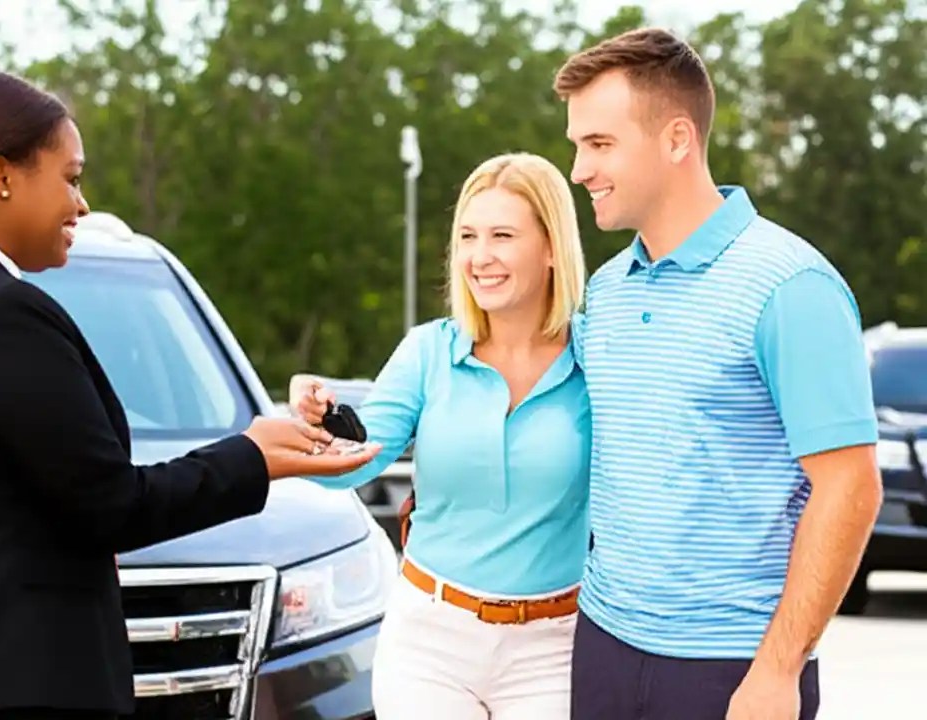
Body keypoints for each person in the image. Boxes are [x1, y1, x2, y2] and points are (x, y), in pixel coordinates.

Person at [0, 70, 381, 720]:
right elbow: (112, 506)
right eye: (70, 178)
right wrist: (253, 456)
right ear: (0, 175)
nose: (82, 204)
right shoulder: (1, 313)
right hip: (5, 688)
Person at [553, 28, 882, 720]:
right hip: (604, 645)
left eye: (600, 144)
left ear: (677, 139)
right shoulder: (605, 292)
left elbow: (849, 487)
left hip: (733, 666)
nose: (579, 170)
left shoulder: (791, 287)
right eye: (578, 144)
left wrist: (778, 671)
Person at [290, 152, 590, 718]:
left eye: (502, 236)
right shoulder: (428, 351)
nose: (480, 257)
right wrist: (315, 422)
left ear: (552, 247)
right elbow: (356, 461)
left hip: (555, 647)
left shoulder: (597, 357)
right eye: (468, 237)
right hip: (430, 642)